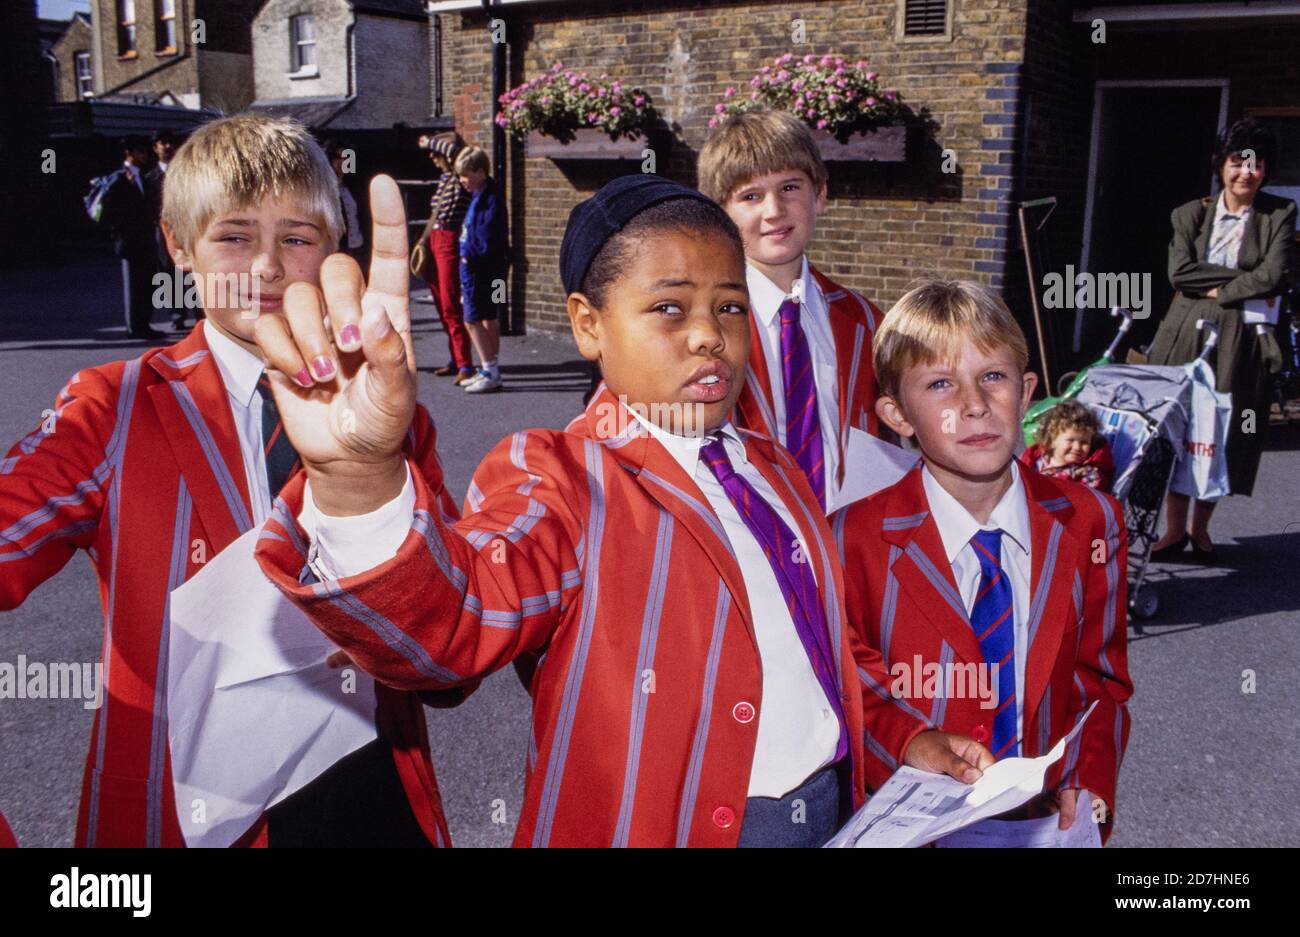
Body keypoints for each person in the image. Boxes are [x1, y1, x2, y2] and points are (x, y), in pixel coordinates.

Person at [250, 174, 994, 847]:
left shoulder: (774, 469)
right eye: (668, 307)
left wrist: (905, 737)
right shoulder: (559, 476)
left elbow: (818, 652)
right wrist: (359, 481)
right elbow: (454, 624)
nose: (709, 334)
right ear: (588, 325)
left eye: (729, 305)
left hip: (830, 818)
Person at [0, 114, 460, 848]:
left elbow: (449, 660)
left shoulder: (394, 411)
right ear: (179, 245)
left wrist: (373, 478)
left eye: (299, 238)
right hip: (182, 814)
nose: (269, 267)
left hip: (371, 799)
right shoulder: (113, 407)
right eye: (235, 236)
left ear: (336, 248)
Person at [833, 279, 1132, 842]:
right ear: (897, 415)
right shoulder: (854, 537)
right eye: (941, 384)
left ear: (1026, 393)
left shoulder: (1093, 521)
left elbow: (1100, 679)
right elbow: (853, 687)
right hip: (912, 824)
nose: (973, 405)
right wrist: (908, 741)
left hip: (1043, 824)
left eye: (992, 377)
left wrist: (1088, 774)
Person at [699, 109, 886, 513]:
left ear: (819, 195)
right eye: (750, 196)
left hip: (845, 548)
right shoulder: (701, 327)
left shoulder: (865, 322)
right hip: (744, 549)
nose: (773, 211)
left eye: (789, 188)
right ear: (721, 214)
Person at [1149, 117, 1298, 563]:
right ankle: (1173, 531)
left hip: (1242, 337)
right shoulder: (1189, 214)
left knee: (1225, 429)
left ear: (1266, 171)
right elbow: (1180, 273)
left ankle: (1201, 529)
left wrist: (1217, 288)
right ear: (1222, 167)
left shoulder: (1279, 215)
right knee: (1181, 426)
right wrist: (1247, 281)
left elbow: (1275, 275)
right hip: (1185, 333)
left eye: (1255, 164)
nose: (1245, 173)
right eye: (1237, 162)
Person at [418, 133, 474, 383]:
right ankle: (456, 358)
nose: (432, 157)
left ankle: (466, 363)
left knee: (451, 303)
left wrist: (427, 141)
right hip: (435, 239)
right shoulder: (444, 179)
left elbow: (453, 149)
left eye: (436, 153)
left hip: (449, 239)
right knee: (440, 301)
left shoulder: (456, 177)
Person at [455, 146, 509, 393]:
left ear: (479, 171)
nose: (462, 181)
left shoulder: (489, 199)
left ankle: (490, 370)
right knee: (488, 317)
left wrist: (467, 256)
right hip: (490, 268)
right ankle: (490, 368)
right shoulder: (486, 194)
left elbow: (484, 238)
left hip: (478, 269)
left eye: (465, 175)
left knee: (472, 319)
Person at [101, 135, 164, 339]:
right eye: (140, 151)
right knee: (133, 286)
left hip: (146, 238)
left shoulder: (143, 177)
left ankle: (144, 323)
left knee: (146, 284)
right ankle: (134, 326)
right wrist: (120, 232)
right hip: (130, 240)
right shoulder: (118, 178)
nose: (144, 155)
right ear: (129, 153)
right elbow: (112, 211)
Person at [145, 130, 190, 330]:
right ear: (155, 148)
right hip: (162, 230)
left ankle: (200, 313)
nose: (168, 147)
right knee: (168, 273)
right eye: (163, 143)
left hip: (187, 227)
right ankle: (176, 314)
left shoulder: (186, 175)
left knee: (192, 271)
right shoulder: (149, 177)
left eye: (171, 142)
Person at [1022, 400, 1114, 492]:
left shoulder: (1089, 475)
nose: (1077, 447)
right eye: (1070, 440)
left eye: (1084, 442)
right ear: (1051, 440)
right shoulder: (1033, 459)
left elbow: (1085, 501)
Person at [322, 139, 364, 264]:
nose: (342, 162)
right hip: (337, 248)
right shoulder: (325, 187)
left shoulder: (354, 185)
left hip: (357, 246)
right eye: (337, 158)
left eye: (346, 158)